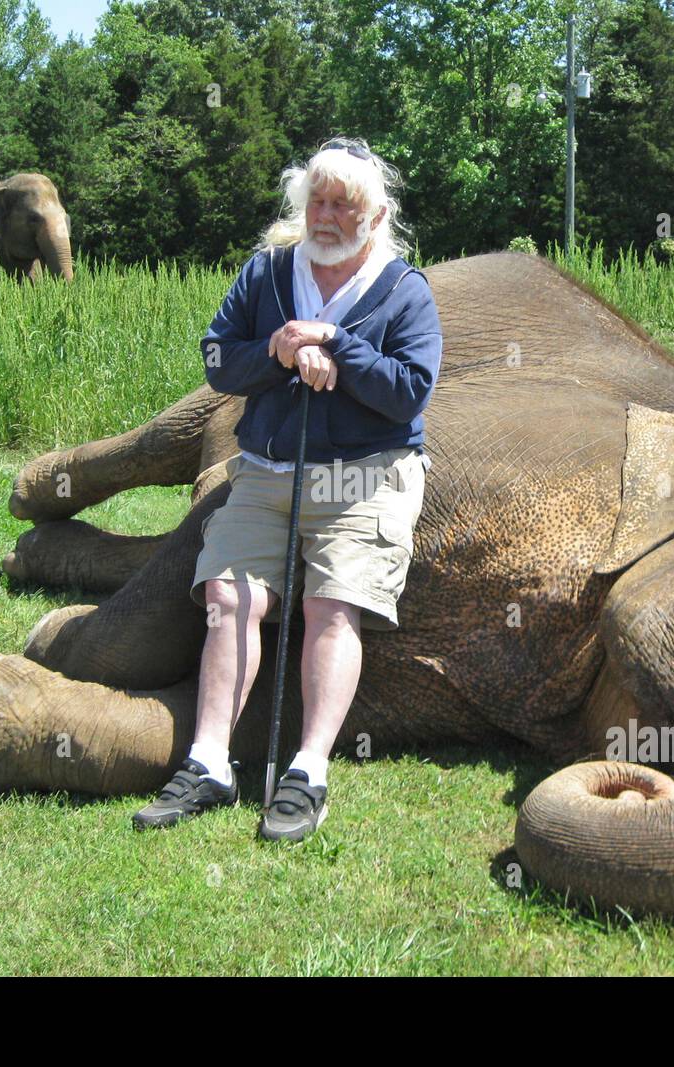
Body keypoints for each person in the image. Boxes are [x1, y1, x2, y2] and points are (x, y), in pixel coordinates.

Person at [132, 136, 443, 841]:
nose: (327, 216)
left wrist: (340, 348)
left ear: (377, 214)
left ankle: (308, 772)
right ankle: (209, 762)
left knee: (334, 605)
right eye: (319, 202)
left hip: (367, 475)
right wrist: (275, 351)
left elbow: (410, 393)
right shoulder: (266, 274)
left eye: (344, 204)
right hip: (269, 469)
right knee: (225, 597)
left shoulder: (405, 290)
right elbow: (218, 359)